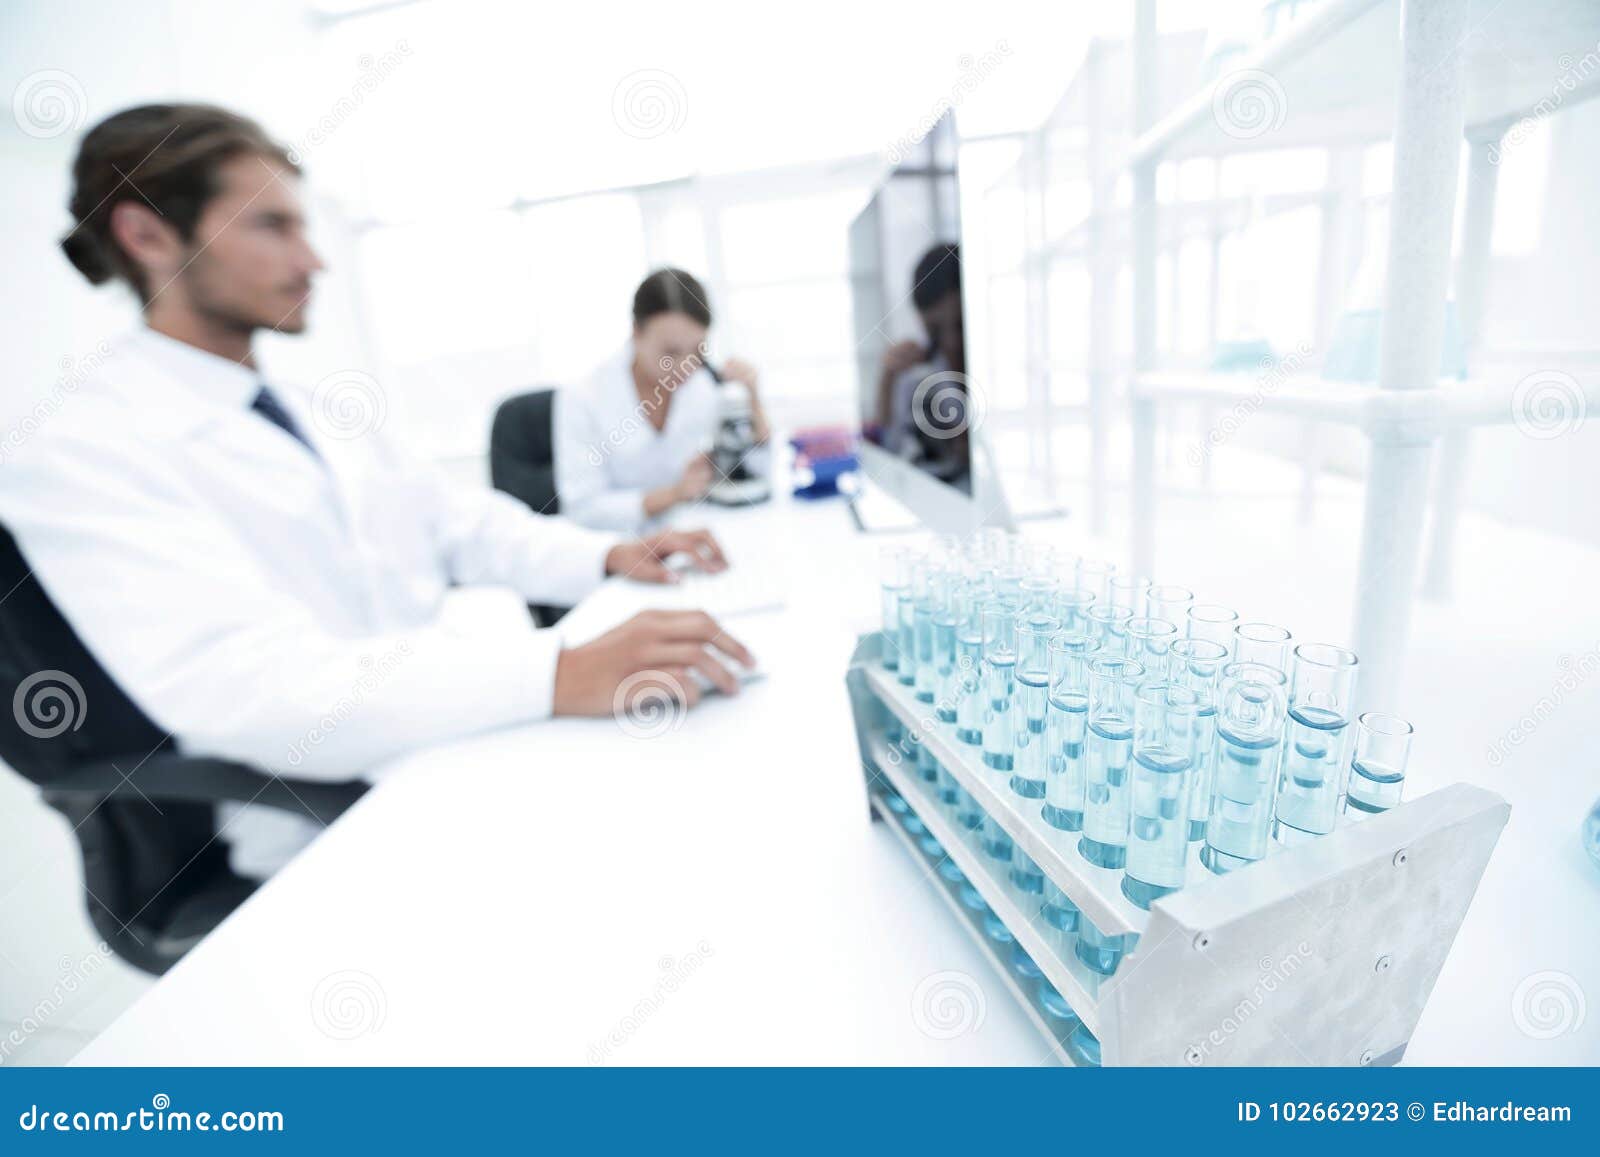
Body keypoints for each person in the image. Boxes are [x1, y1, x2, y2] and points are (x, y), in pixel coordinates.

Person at [1, 104, 752, 880]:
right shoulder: (80, 450)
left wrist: (613, 553)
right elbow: (256, 688)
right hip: (313, 820)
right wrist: (554, 671)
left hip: (440, 735)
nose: (313, 260)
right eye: (273, 226)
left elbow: (461, 524)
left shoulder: (308, 407)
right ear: (148, 236)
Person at [553, 268, 770, 532]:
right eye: (671, 352)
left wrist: (753, 399)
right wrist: (675, 493)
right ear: (636, 332)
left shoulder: (704, 387)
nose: (687, 366)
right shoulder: (583, 398)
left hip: (692, 535)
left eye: (698, 350)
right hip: (619, 548)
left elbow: (758, 470)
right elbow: (581, 509)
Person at [869, 242, 971, 487]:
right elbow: (892, 448)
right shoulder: (919, 372)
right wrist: (887, 380)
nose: (952, 343)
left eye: (960, 325)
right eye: (936, 330)